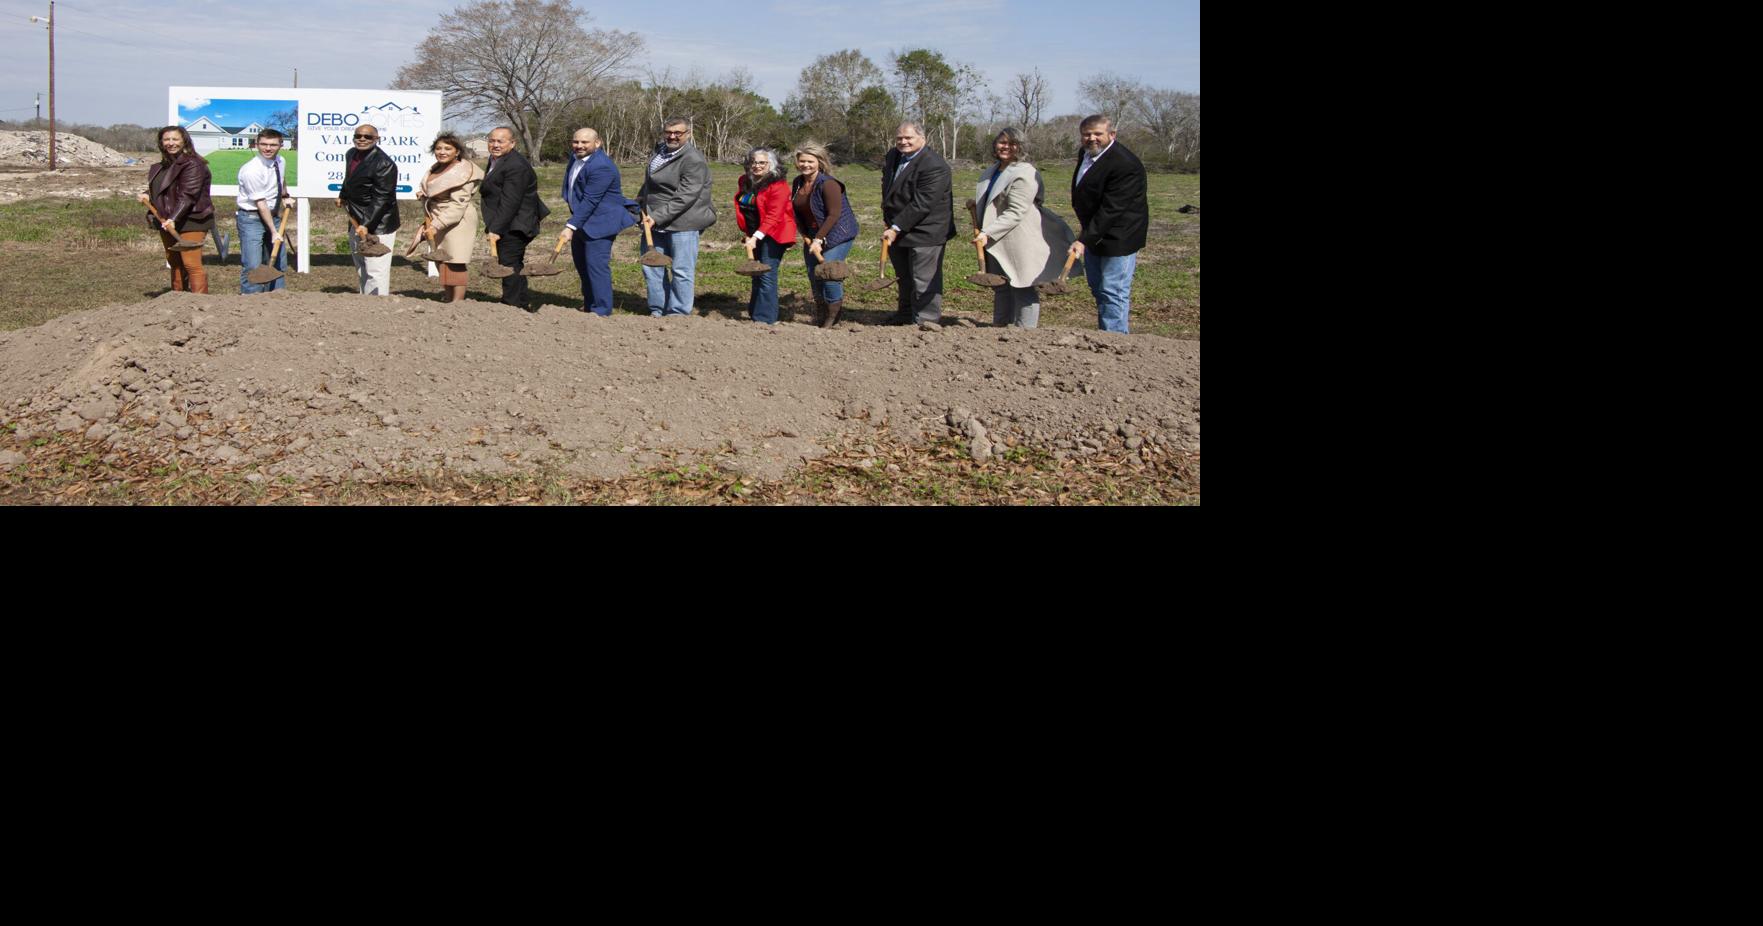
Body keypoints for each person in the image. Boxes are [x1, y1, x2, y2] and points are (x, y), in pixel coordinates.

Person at [973, 128, 1076, 329]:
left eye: (1012, 143)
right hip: (993, 239)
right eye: (1002, 142)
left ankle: (1025, 333)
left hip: (1018, 239)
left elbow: (1017, 211)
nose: (1006, 147)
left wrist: (988, 233)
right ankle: (999, 329)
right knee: (1000, 286)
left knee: (1023, 287)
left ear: (1020, 147)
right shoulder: (991, 171)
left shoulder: (1025, 172)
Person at [1068, 115, 1148, 333]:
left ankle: (1115, 341)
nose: (1092, 138)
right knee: (1098, 287)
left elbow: (1112, 209)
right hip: (1095, 233)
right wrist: (1087, 235)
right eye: (1087, 134)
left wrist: (1083, 240)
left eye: (1098, 134)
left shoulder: (1125, 164)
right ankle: (1106, 335)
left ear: (1112, 135)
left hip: (1119, 236)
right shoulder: (1086, 154)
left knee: (1113, 290)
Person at [637, 117, 715, 317]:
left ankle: (678, 313)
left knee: (681, 270)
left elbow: (686, 195)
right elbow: (650, 184)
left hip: (684, 222)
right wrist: (639, 203)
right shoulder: (659, 152)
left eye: (678, 133)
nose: (672, 136)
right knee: (652, 266)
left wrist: (657, 216)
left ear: (688, 134)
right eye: (668, 132)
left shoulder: (693, 159)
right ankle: (658, 309)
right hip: (654, 221)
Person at [880, 121, 956, 328]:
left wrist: (895, 227)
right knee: (904, 277)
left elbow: (922, 204)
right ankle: (905, 315)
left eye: (909, 138)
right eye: (899, 138)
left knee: (924, 280)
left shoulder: (934, 165)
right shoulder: (894, 156)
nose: (903, 142)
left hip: (926, 231)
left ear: (922, 139)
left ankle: (925, 322)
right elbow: (889, 186)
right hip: (897, 229)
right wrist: (889, 221)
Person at [561, 128, 637, 317]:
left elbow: (591, 200)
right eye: (576, 141)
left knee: (596, 267)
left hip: (601, 222)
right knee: (582, 265)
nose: (579, 145)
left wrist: (570, 226)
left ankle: (601, 310)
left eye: (584, 142)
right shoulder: (575, 158)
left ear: (597, 143)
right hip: (582, 220)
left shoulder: (601, 166)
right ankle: (589, 305)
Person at [789, 140, 859, 328]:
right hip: (813, 234)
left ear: (819, 162)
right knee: (814, 275)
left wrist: (819, 239)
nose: (805, 165)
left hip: (837, 233)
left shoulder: (829, 184)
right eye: (802, 161)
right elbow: (796, 211)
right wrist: (806, 235)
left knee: (829, 274)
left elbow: (834, 214)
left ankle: (833, 318)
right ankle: (822, 314)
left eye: (810, 161)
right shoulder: (798, 182)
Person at [480, 126, 549, 313]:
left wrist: (495, 229)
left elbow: (511, 201)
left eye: (500, 141)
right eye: (492, 140)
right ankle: (520, 303)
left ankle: (512, 306)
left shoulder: (516, 165)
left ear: (512, 143)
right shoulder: (497, 159)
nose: (495, 145)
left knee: (508, 264)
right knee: (512, 262)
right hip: (507, 221)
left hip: (516, 223)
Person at [139, 125, 213, 294]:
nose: (171, 143)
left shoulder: (193, 164)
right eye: (166, 139)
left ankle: (200, 302)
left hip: (192, 219)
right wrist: (147, 195)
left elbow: (188, 194)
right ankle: (177, 300)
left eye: (175, 139)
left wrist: (174, 218)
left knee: (191, 263)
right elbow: (164, 190)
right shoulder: (160, 167)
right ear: (161, 142)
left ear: (184, 141)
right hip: (166, 220)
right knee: (175, 262)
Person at [415, 133, 484, 304]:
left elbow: (458, 205)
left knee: (455, 260)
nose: (442, 152)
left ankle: (457, 302)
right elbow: (434, 189)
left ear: (457, 151)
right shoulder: (436, 168)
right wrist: (424, 195)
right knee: (440, 258)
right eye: (438, 148)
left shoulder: (464, 171)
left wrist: (436, 225)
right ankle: (448, 296)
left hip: (457, 220)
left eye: (447, 148)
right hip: (436, 217)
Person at [732, 147, 796, 325]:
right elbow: (746, 208)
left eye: (762, 162)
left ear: (771, 165)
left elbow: (773, 217)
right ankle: (755, 314)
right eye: (753, 162)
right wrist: (748, 233)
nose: (757, 166)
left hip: (775, 233)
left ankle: (766, 319)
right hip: (754, 232)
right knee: (756, 274)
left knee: (766, 274)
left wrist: (756, 237)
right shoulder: (745, 181)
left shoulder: (779, 186)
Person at [338, 123, 401, 295]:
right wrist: (343, 195)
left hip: (378, 223)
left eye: (367, 137)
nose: (362, 139)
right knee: (361, 265)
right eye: (358, 136)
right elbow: (349, 179)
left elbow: (383, 198)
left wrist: (366, 224)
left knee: (375, 269)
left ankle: (377, 304)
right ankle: (365, 303)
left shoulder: (384, 163)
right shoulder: (351, 154)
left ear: (376, 139)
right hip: (355, 218)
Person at [234, 128, 289, 294]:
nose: (268, 148)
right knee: (253, 264)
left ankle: (277, 298)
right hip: (252, 218)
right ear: (256, 144)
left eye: (273, 145)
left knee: (278, 262)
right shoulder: (251, 170)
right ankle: (252, 301)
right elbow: (261, 203)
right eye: (264, 144)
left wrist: (285, 195)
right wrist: (274, 231)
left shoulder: (280, 161)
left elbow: (281, 179)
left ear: (281, 145)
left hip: (273, 215)